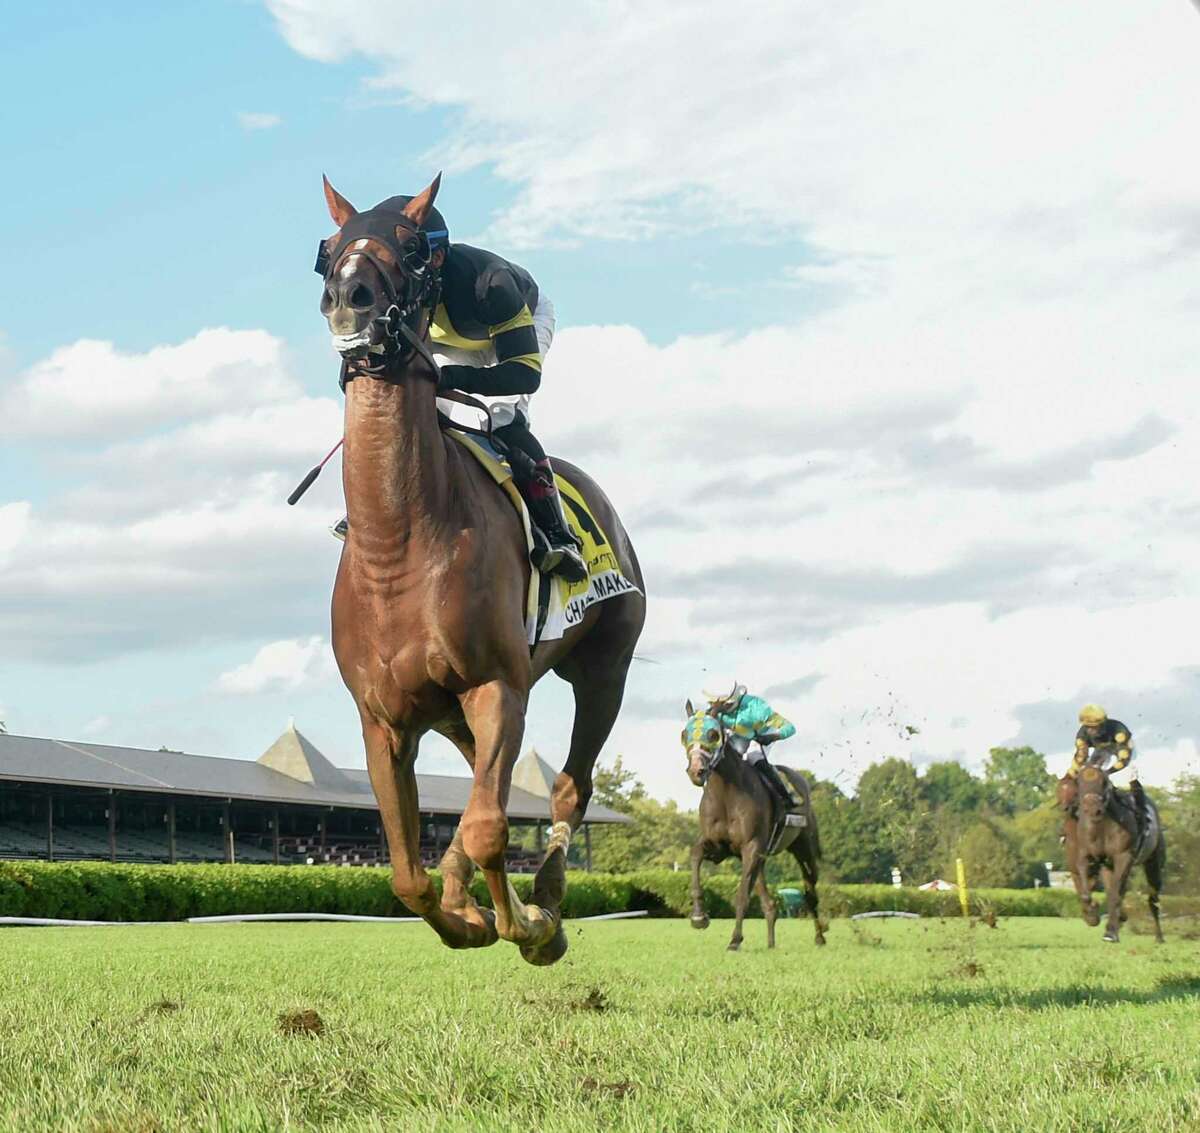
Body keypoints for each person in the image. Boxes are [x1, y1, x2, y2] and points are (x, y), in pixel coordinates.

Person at [333, 196, 586, 583]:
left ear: (433, 259)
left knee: (505, 421)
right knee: (411, 416)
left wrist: (449, 379)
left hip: (515, 330)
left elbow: (523, 375)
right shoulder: (409, 288)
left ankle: (557, 533)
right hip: (450, 339)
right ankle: (372, 512)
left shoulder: (491, 284)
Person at [710, 684, 798, 811]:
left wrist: (773, 737)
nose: (714, 707)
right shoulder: (715, 709)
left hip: (761, 735)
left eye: (719, 705)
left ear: (730, 702)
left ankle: (785, 796)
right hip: (736, 736)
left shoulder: (757, 708)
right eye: (712, 703)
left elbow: (790, 728)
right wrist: (714, 712)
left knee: (754, 758)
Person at [1067, 703, 1146, 837]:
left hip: (1124, 752)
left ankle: (1142, 815)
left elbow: (1123, 758)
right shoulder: (1082, 734)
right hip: (1102, 752)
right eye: (1088, 727)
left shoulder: (1118, 730)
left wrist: (1108, 773)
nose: (1091, 731)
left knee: (1129, 778)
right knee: (1089, 778)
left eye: (1094, 727)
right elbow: (1081, 756)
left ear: (1103, 724)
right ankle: (1072, 820)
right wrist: (1071, 775)